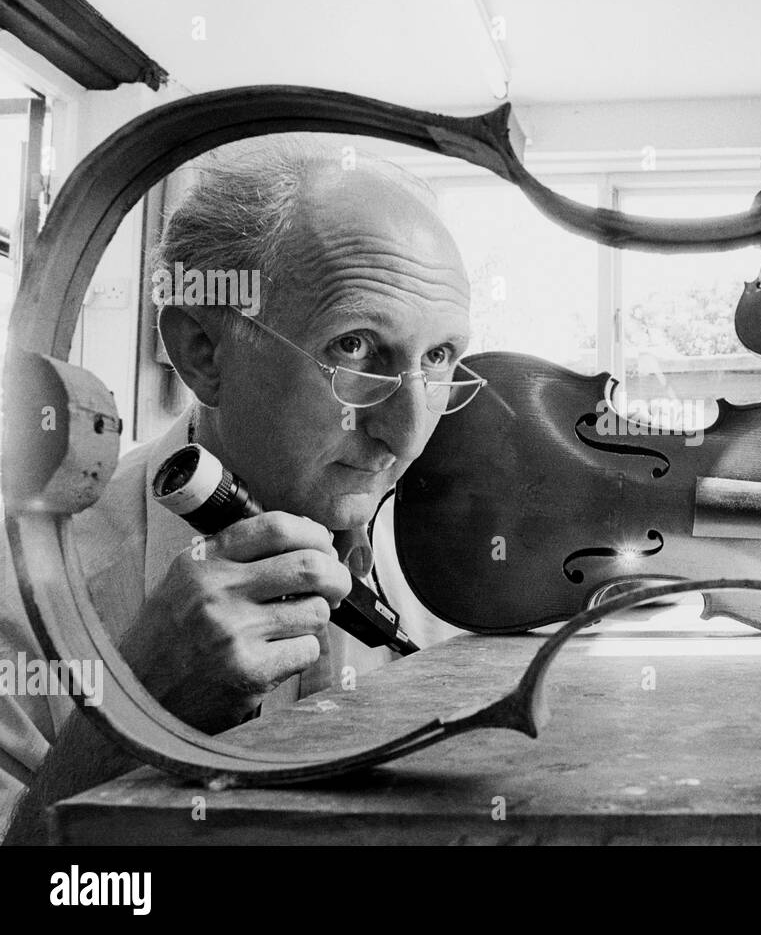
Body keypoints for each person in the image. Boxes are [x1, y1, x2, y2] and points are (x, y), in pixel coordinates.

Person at [0, 136, 474, 842]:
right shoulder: (22, 594)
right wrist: (133, 714)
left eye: (438, 357)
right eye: (355, 347)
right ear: (203, 353)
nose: (405, 432)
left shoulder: (466, 568)